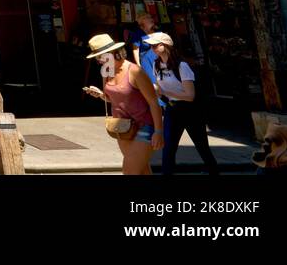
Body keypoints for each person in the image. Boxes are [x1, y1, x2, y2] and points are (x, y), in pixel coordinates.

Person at [83, 32, 163, 175]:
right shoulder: (106, 72)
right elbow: (112, 98)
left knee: (130, 171)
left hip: (144, 127)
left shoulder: (134, 71)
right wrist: (101, 94)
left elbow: (153, 102)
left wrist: (158, 131)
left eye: (101, 56)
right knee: (142, 171)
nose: (100, 61)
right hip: (123, 128)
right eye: (97, 58)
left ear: (114, 53)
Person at [148, 32, 219, 176]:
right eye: (151, 46)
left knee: (202, 147)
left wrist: (165, 92)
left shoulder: (182, 66)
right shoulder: (156, 65)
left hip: (190, 111)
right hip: (172, 109)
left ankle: (214, 172)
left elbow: (190, 96)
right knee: (168, 149)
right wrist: (158, 91)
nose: (152, 48)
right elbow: (161, 88)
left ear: (165, 45)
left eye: (155, 45)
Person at [126, 11, 159, 81]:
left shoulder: (157, 31)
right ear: (142, 22)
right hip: (146, 60)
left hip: (158, 59)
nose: (151, 19)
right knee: (153, 81)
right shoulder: (138, 34)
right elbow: (135, 50)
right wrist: (138, 65)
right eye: (147, 17)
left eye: (150, 17)